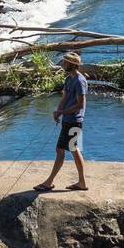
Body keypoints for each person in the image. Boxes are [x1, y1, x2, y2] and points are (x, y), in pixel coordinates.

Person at [34, 52, 88, 192]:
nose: (62, 64)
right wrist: (58, 111)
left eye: (65, 62)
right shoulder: (69, 79)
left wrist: (62, 113)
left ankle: (49, 182)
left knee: (68, 150)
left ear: (71, 64)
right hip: (67, 120)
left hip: (75, 121)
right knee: (69, 150)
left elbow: (80, 104)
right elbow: (64, 98)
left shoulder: (80, 81)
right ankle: (80, 183)